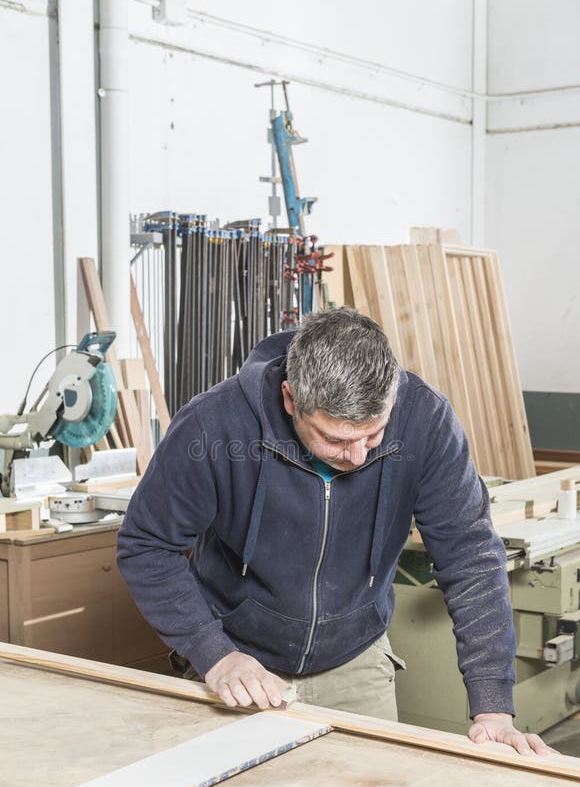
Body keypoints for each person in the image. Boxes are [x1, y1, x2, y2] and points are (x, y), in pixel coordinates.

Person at [117, 307, 551, 756]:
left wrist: (493, 706)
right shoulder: (214, 425)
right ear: (290, 399)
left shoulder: (427, 422)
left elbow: (471, 559)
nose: (359, 457)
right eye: (337, 439)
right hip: (239, 661)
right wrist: (213, 654)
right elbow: (146, 546)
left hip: (355, 659)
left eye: (374, 434)